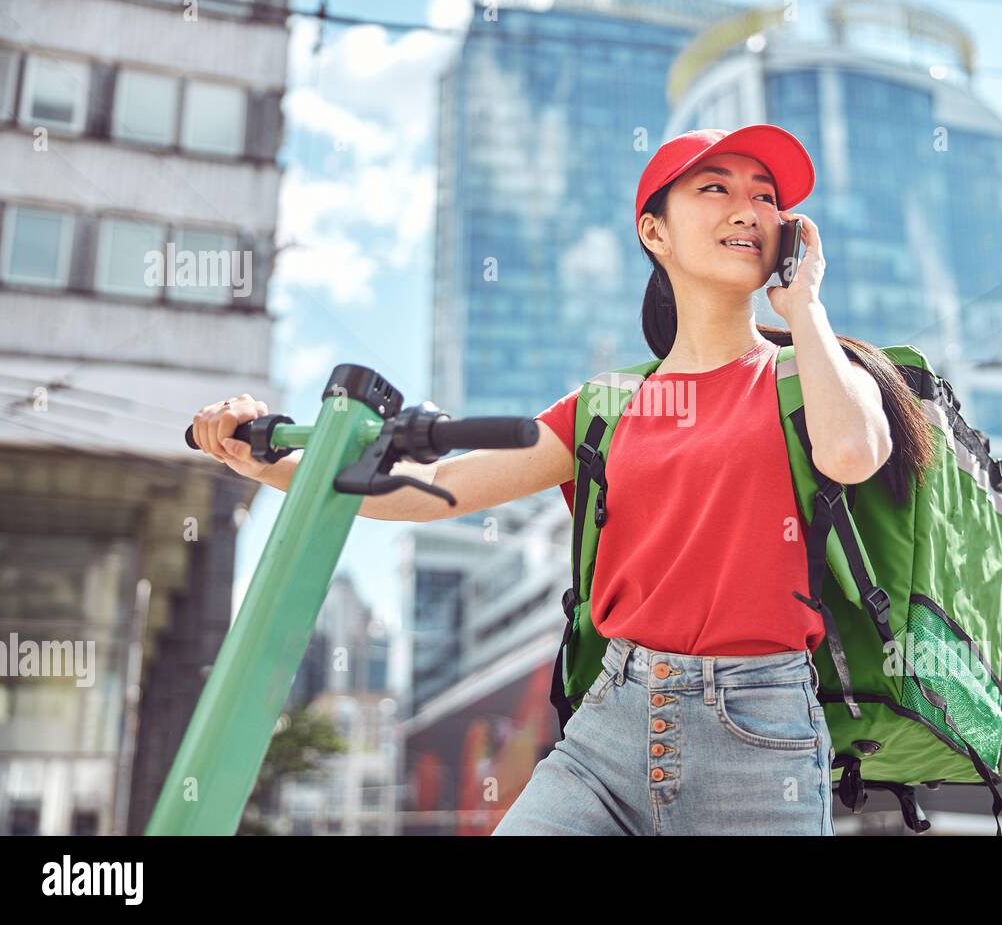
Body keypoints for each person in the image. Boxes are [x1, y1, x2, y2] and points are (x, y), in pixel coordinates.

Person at [190, 124, 934, 836]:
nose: (749, 210)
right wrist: (266, 463)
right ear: (654, 232)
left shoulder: (809, 373)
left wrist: (803, 305)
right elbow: (434, 489)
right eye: (716, 188)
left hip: (757, 734)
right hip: (610, 719)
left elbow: (852, 454)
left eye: (766, 197)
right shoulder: (605, 408)